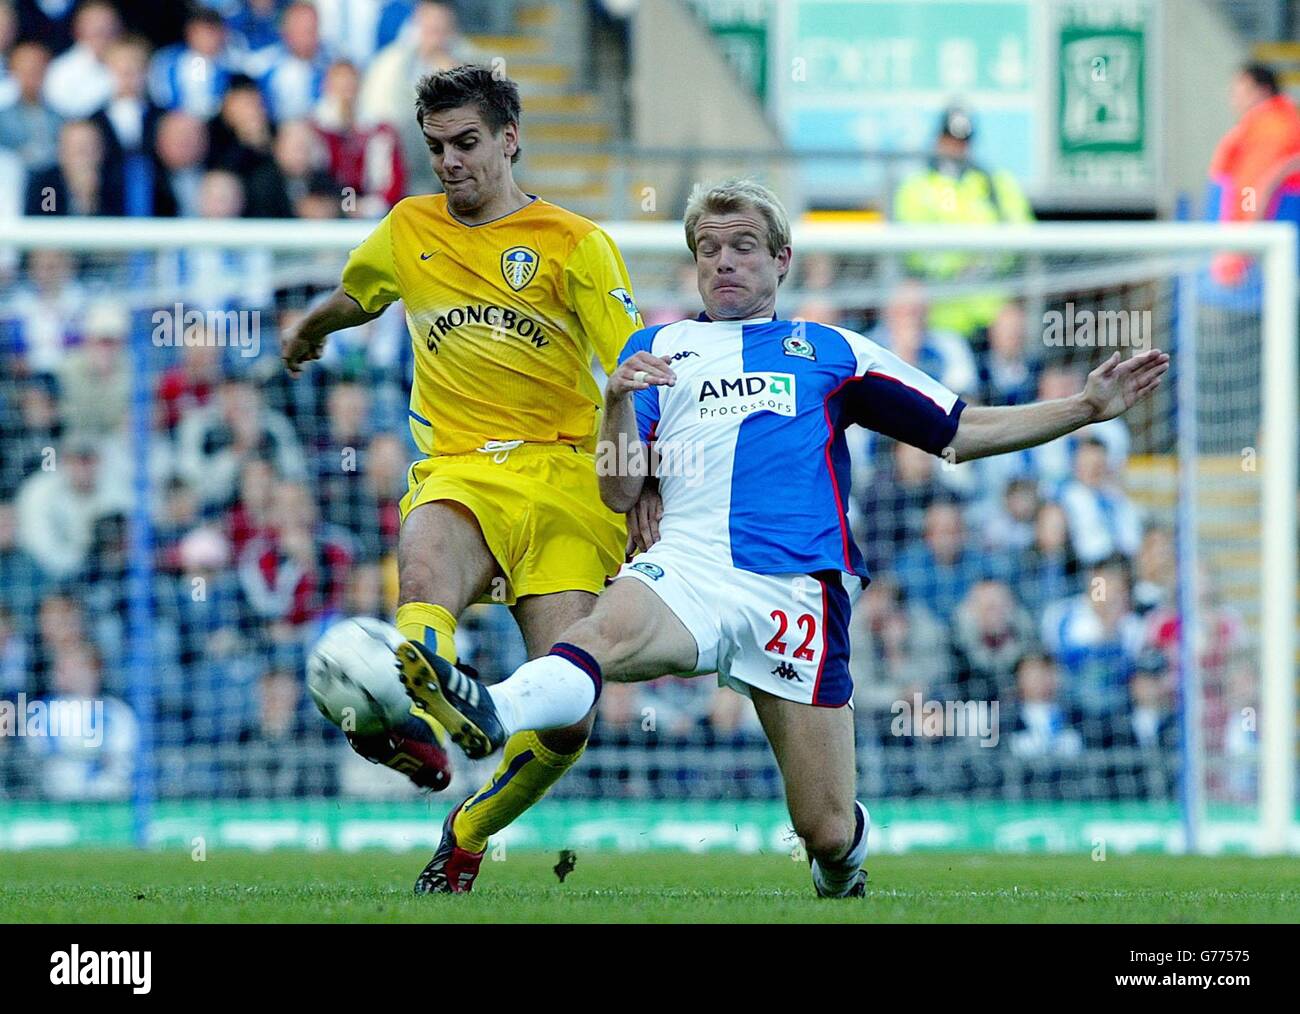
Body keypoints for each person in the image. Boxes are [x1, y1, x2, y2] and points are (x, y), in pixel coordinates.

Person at [397, 178, 1169, 897]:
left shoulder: (832, 350)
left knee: (824, 830)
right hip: (689, 566)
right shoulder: (657, 352)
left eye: (741, 247)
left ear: (781, 260)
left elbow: (958, 432)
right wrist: (613, 405)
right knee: (596, 634)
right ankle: (487, 706)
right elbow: (618, 490)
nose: (723, 262)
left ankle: (843, 868)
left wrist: (1083, 409)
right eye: (707, 249)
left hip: (796, 587)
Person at [281, 65, 645, 865]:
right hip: (460, 468)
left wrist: (645, 484)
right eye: (436, 146)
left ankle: (466, 834)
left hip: (565, 483)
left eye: (466, 143)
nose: (449, 161)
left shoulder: (577, 245)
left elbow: (638, 375)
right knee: (424, 566)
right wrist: (311, 328)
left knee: (567, 719)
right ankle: (413, 711)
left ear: (510, 140)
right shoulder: (409, 229)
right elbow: (359, 295)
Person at [893, 106, 1034, 338]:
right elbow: (913, 246)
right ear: (938, 140)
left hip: (988, 299)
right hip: (936, 302)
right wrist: (956, 262)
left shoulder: (996, 183)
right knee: (906, 301)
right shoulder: (916, 186)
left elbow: (1022, 232)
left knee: (1010, 319)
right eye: (950, 140)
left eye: (963, 142)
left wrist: (983, 259)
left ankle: (1009, 373)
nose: (956, 149)